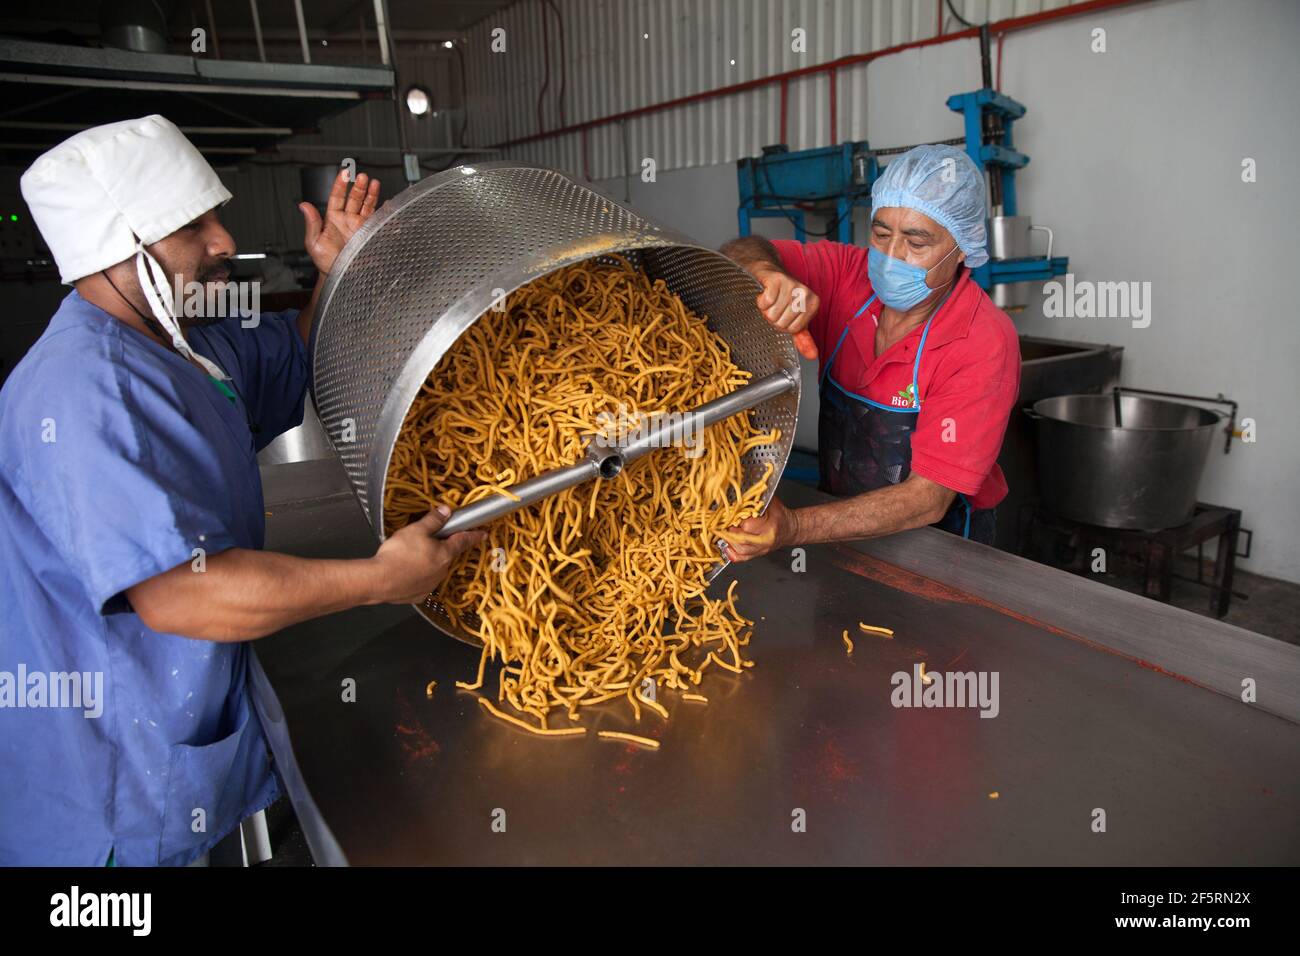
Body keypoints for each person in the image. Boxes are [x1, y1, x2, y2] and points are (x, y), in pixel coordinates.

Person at [0, 115, 485, 866]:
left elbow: (291, 354)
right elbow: (183, 596)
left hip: (186, 737)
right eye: (193, 226)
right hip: (111, 779)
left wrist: (334, 269)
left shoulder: (184, 343)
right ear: (120, 253)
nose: (224, 241)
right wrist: (383, 580)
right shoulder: (81, 389)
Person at [720, 144, 1020, 560]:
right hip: (840, 524)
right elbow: (740, 251)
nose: (892, 255)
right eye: (881, 234)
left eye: (916, 242)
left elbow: (927, 499)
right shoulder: (849, 275)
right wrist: (766, 273)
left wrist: (795, 526)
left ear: (962, 249)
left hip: (942, 545)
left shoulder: (982, 339)